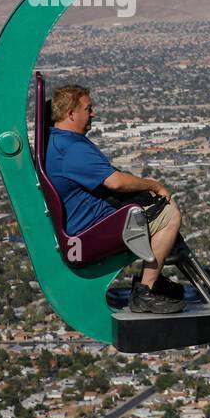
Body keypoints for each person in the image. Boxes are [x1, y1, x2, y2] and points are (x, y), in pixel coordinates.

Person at [45, 83, 186, 314]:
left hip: (89, 218)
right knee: (169, 215)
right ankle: (145, 291)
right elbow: (116, 182)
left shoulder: (57, 140)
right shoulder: (71, 149)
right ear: (71, 114)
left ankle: (153, 277)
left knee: (150, 203)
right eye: (88, 109)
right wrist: (155, 184)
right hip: (92, 228)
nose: (93, 113)